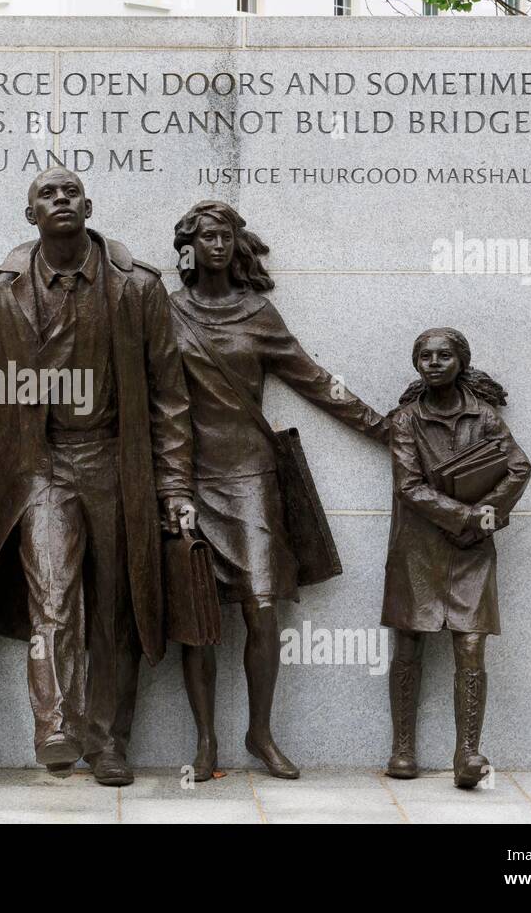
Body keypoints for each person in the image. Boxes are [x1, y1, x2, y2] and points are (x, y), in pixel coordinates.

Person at [0, 166, 194, 787]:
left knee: (118, 607)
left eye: (70, 192)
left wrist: (174, 486)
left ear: (88, 206)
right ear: (28, 213)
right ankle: (56, 724)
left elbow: (170, 394)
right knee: (54, 597)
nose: (60, 199)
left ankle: (109, 741)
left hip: (117, 463)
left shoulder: (137, 287)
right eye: (46, 194)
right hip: (38, 468)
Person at [167, 200, 388, 780]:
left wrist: (383, 427)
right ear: (188, 249)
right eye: (207, 236)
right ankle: (206, 741)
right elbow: (157, 408)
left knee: (262, 611)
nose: (218, 245)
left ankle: (260, 732)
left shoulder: (257, 314)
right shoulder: (167, 315)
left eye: (227, 236)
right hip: (190, 480)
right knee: (199, 617)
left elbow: (314, 379)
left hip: (251, 479)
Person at [382, 328, 531, 788]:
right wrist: (466, 515)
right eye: (425, 356)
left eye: (443, 355)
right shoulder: (405, 420)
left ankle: (467, 753)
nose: (433, 362)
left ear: (460, 361)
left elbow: (519, 467)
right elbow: (408, 487)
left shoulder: (484, 417)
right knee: (408, 643)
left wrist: (488, 512)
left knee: (470, 647)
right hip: (416, 548)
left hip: (471, 550)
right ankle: (403, 749)